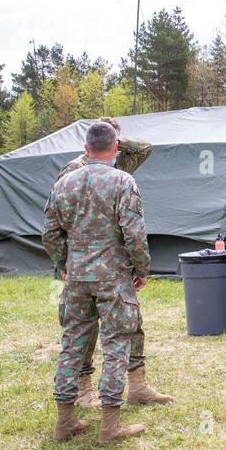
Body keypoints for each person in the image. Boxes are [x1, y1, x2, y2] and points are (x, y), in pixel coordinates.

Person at [43, 120, 151, 444]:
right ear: (116, 148)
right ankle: (110, 427)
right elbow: (135, 234)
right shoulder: (123, 181)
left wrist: (64, 263)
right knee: (117, 344)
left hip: (76, 278)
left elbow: (49, 233)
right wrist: (141, 269)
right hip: (113, 278)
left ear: (86, 149)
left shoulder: (65, 183)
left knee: (72, 345)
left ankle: (65, 422)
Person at [55, 117, 173, 407]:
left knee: (130, 323)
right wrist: (63, 262)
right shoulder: (73, 170)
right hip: (85, 264)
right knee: (86, 329)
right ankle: (83, 389)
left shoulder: (119, 166)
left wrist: (115, 140)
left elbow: (144, 149)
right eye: (112, 141)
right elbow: (57, 219)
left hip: (116, 264)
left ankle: (138, 384)